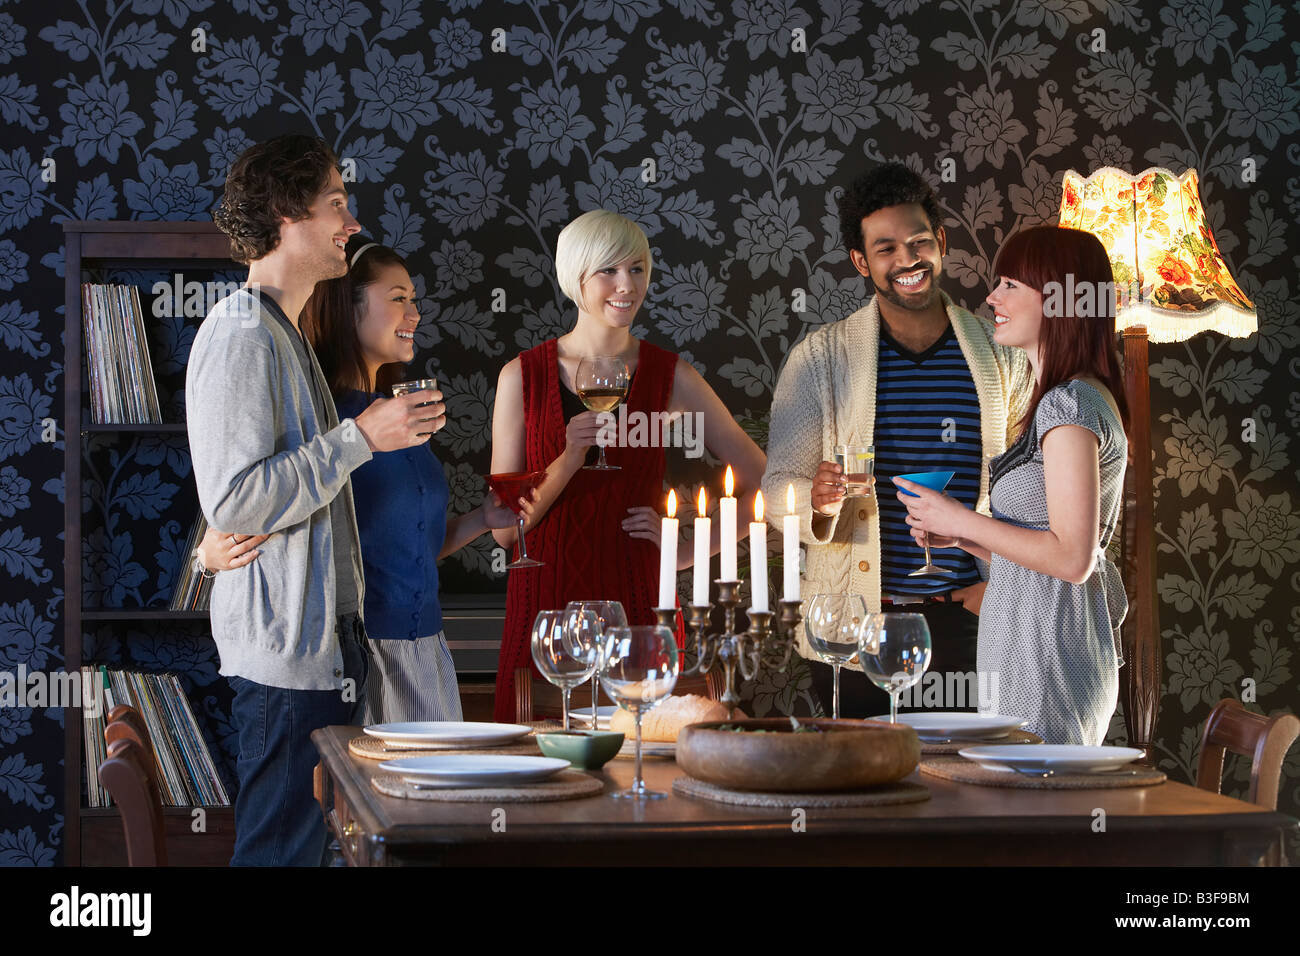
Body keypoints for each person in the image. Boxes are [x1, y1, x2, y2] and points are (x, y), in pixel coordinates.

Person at [187, 136, 437, 866]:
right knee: (281, 856)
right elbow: (236, 502)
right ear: (287, 211)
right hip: (286, 665)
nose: (351, 223)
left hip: (320, 655)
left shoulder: (283, 334)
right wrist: (359, 438)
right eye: (336, 202)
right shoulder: (240, 334)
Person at [199, 236, 530, 724]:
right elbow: (245, 501)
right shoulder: (323, 421)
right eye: (398, 299)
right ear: (346, 308)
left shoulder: (396, 418)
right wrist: (206, 555)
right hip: (358, 654)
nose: (414, 313)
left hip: (426, 651)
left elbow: (403, 548)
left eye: (414, 300)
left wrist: (482, 519)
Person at [762, 162, 1031, 718]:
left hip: (970, 618)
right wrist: (813, 500)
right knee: (865, 787)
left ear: (942, 244)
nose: (906, 260)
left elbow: (1037, 491)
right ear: (861, 262)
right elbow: (775, 490)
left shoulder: (1001, 354)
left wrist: (1002, 587)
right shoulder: (819, 359)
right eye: (885, 249)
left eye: (918, 242)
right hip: (855, 622)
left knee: (965, 787)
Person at [489, 209, 766, 722]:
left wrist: (685, 551)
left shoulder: (670, 374)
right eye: (609, 271)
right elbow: (506, 535)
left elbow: (760, 480)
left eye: (637, 269)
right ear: (576, 278)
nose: (627, 285)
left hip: (641, 605)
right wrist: (570, 459)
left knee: (644, 770)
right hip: (546, 610)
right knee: (539, 774)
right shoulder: (521, 378)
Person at [896, 225, 1129, 745]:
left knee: (1038, 815)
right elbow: (1040, 556)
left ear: (1062, 300)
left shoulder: (1069, 407)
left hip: (1048, 657)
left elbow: (1072, 559)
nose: (992, 297)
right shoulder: (1058, 402)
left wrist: (959, 518)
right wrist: (963, 538)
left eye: (1011, 285)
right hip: (1029, 648)